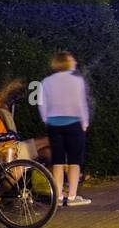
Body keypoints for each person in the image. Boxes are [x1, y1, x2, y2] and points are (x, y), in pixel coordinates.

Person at [39, 51, 92, 206]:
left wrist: (46, 119)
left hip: (54, 124)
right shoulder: (77, 81)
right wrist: (85, 122)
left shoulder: (47, 81)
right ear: (68, 62)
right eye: (72, 60)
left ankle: (58, 196)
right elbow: (80, 103)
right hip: (73, 123)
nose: (75, 62)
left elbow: (42, 103)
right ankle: (72, 196)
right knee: (75, 161)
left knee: (58, 161)